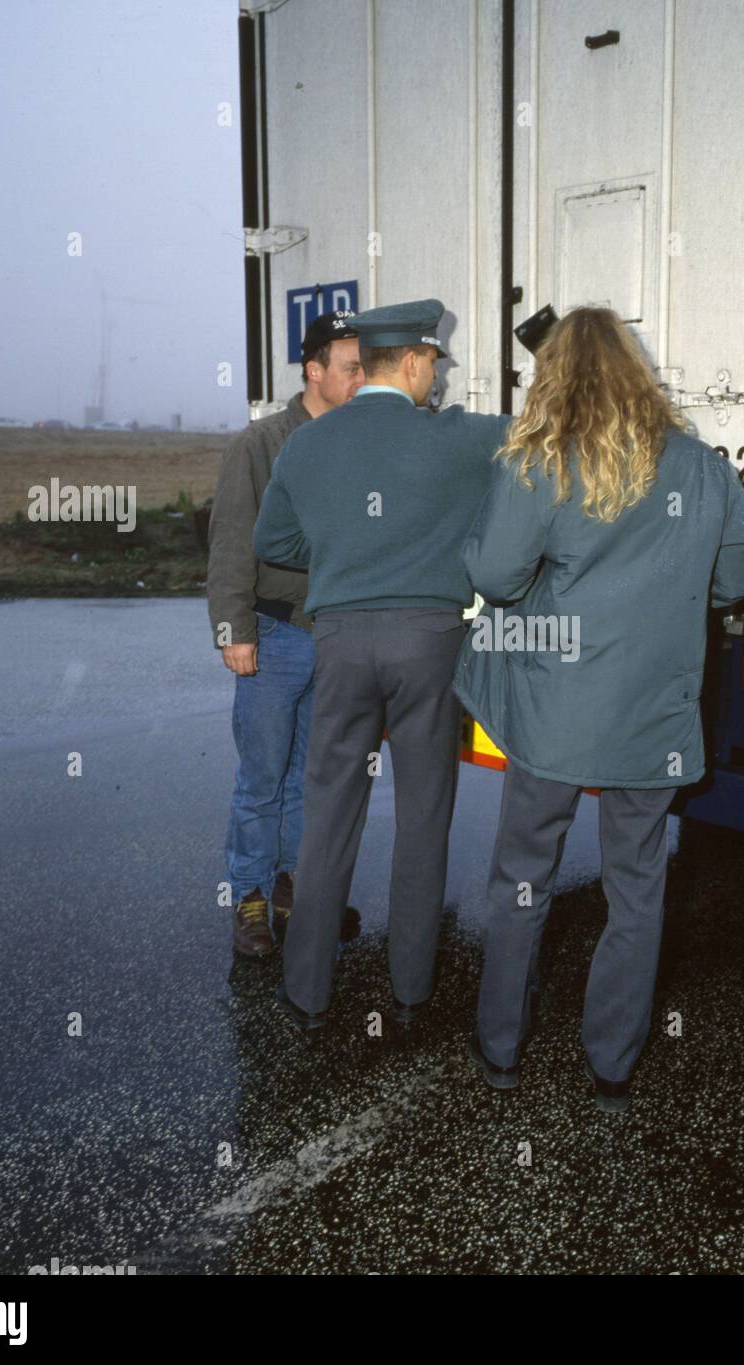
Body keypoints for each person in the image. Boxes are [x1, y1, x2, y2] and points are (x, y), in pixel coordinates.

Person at [455, 306, 744, 1112]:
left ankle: (500, 1051)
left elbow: (494, 575)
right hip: (652, 722)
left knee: (523, 876)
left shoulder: (539, 463)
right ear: (635, 371)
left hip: (558, 715)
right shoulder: (699, 467)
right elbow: (739, 573)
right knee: (638, 888)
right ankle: (612, 1068)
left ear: (554, 375)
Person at [252, 298, 511, 1036]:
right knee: (424, 815)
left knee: (329, 814)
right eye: (435, 363)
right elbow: (540, 447)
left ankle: (306, 991)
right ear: (412, 361)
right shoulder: (460, 439)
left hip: (340, 641)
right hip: (428, 642)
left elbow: (275, 541)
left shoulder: (307, 444)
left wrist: (342, 557)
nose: (438, 377)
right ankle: (410, 989)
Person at [207, 310, 365, 957]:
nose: (360, 378)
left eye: (364, 367)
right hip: (273, 636)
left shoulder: (359, 443)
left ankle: (296, 886)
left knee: (310, 776)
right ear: (315, 369)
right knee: (262, 777)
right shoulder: (261, 442)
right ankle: (248, 898)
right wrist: (233, 629)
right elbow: (230, 543)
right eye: (351, 367)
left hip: (335, 634)